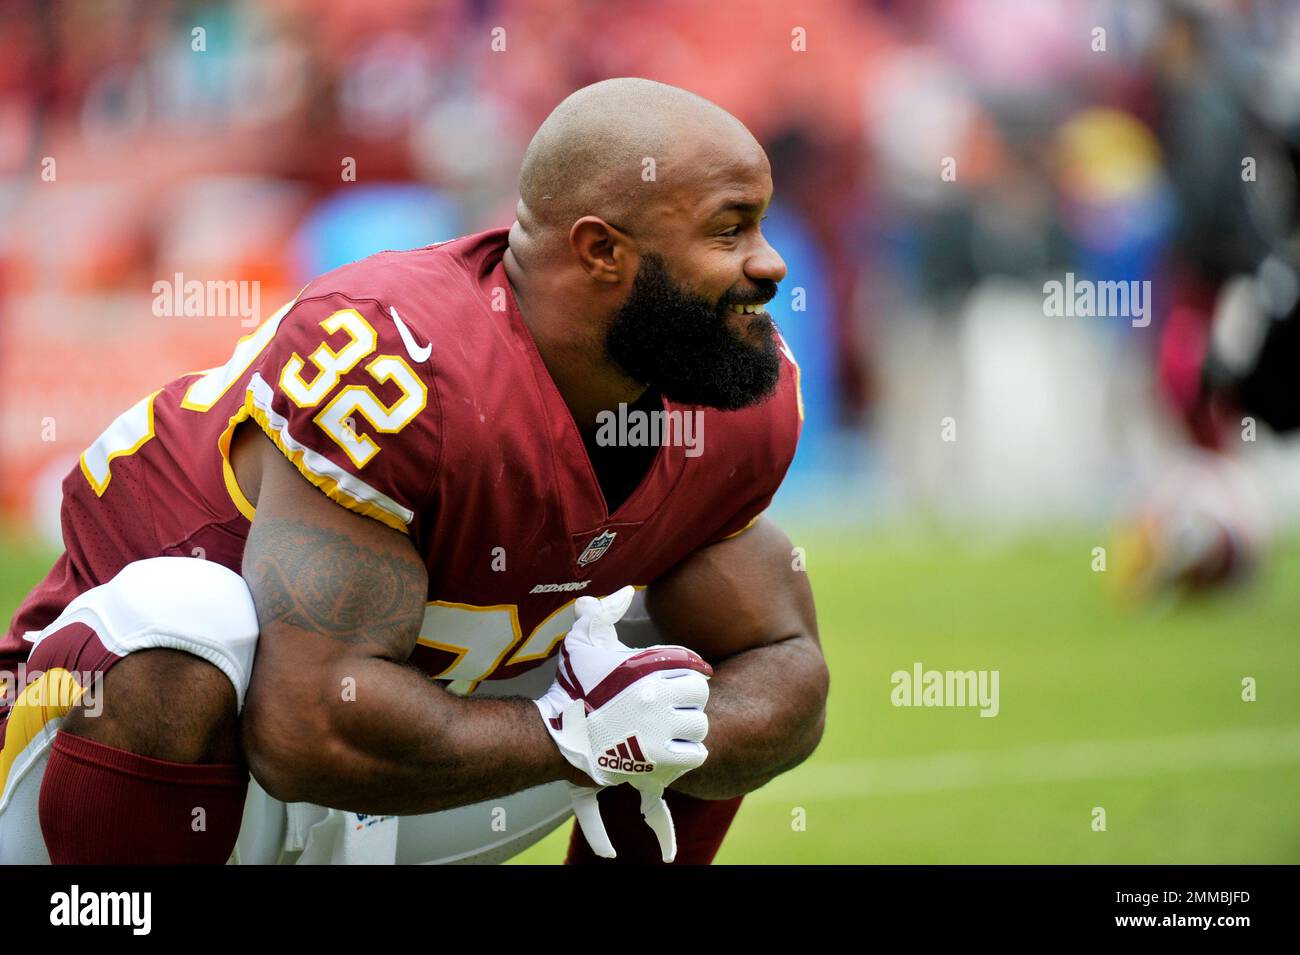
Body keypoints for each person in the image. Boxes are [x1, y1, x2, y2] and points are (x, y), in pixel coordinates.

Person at [0, 77, 828, 865]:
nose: (769, 265)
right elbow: (307, 725)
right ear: (601, 250)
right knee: (186, 616)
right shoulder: (403, 358)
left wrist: (645, 727)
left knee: (672, 675)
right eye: (730, 230)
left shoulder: (722, 395)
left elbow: (784, 661)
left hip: (403, 774)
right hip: (121, 753)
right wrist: (573, 734)